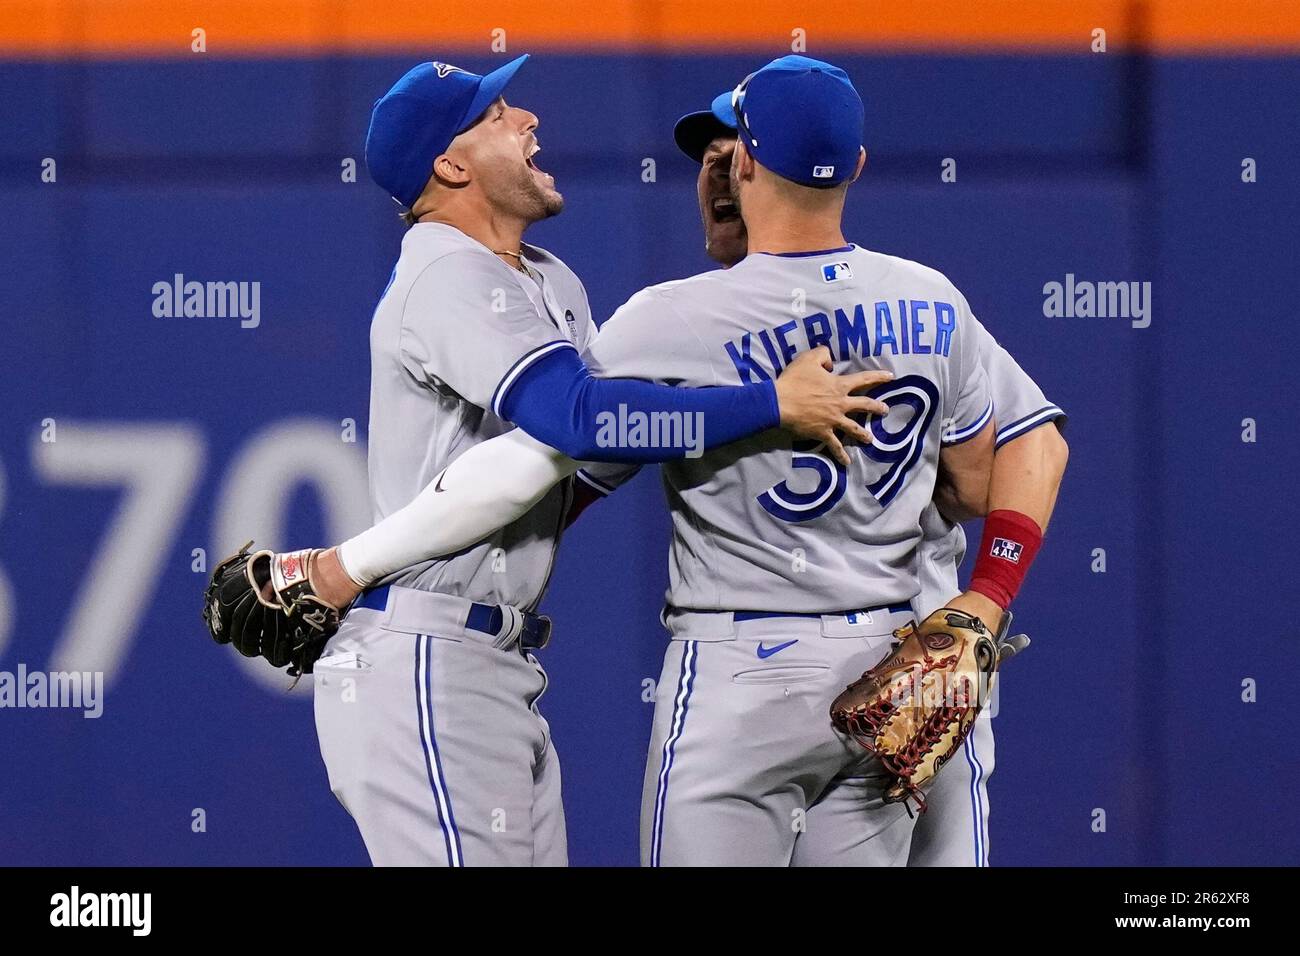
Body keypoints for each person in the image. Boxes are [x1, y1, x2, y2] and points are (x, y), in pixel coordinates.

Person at [302, 55, 886, 867]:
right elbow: (582, 420)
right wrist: (773, 405)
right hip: (425, 655)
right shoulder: (444, 272)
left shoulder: (550, 280)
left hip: (494, 660)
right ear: (451, 163)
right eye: (498, 113)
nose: (527, 120)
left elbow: (580, 459)